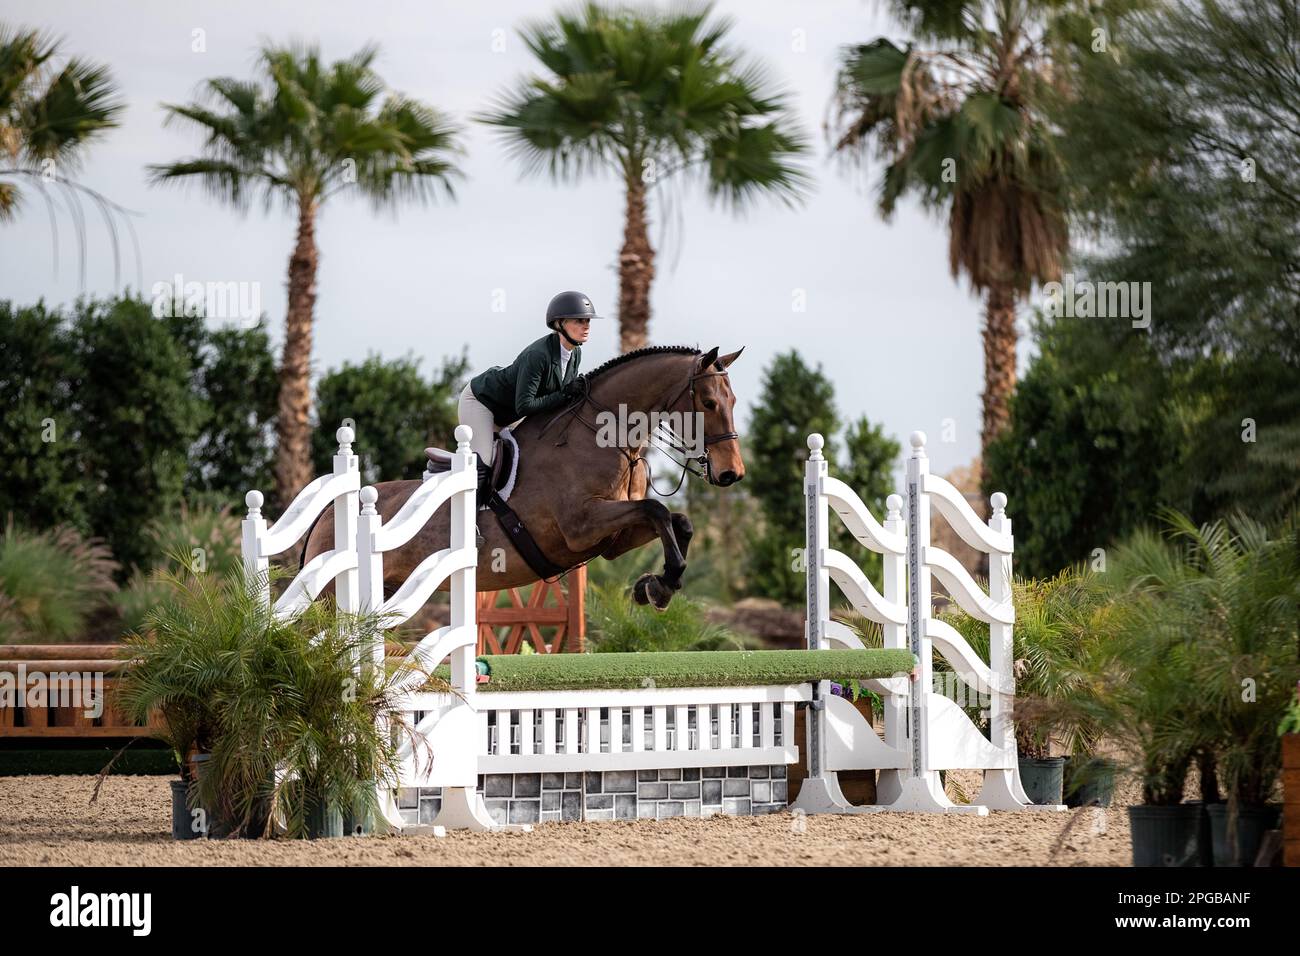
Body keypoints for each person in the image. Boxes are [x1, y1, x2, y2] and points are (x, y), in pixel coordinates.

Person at [459, 290, 601, 507]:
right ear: (559, 324)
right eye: (579, 321)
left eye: (588, 321)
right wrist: (565, 393)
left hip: (508, 412)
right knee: (485, 461)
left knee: (529, 454)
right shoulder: (538, 355)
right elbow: (525, 405)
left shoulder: (575, 354)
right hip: (481, 402)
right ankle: (471, 515)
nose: (586, 326)